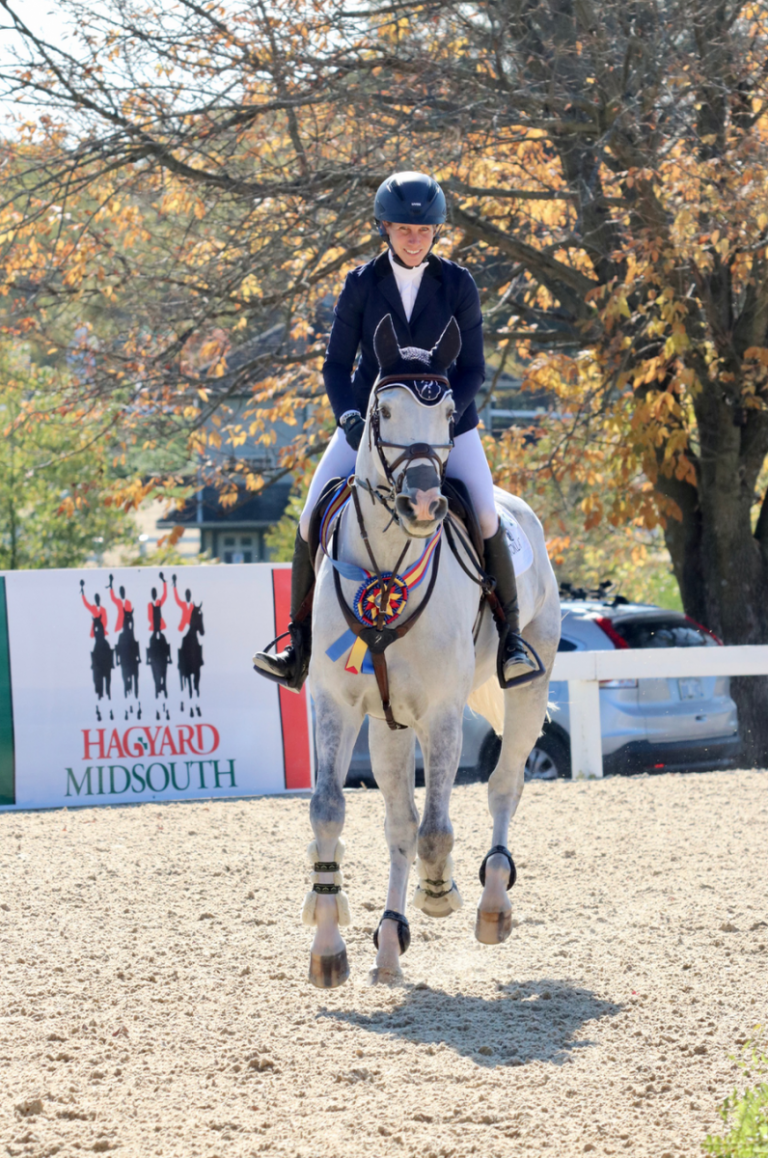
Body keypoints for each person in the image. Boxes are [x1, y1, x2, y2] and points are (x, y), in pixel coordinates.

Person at [253, 171, 536, 691]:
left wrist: (445, 412)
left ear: (436, 232)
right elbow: (337, 366)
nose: (415, 238)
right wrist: (348, 416)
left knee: (485, 515)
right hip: (371, 425)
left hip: (445, 424)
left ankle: (512, 637)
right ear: (385, 227)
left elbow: (472, 367)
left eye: (425, 230)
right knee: (312, 512)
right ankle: (297, 642)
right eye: (405, 228)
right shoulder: (361, 284)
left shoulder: (458, 284)